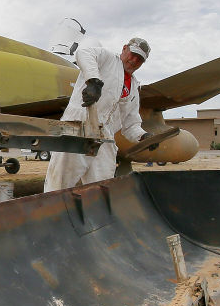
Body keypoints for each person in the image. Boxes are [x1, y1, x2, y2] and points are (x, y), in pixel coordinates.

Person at [43, 37, 149, 192]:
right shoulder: (107, 58)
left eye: (139, 59)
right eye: (133, 54)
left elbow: (130, 122)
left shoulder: (133, 87)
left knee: (102, 185)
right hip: (78, 124)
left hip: (104, 135)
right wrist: (93, 81)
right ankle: (50, 213)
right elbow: (83, 54)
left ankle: (95, 213)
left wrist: (143, 136)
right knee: (60, 181)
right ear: (125, 48)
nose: (134, 60)